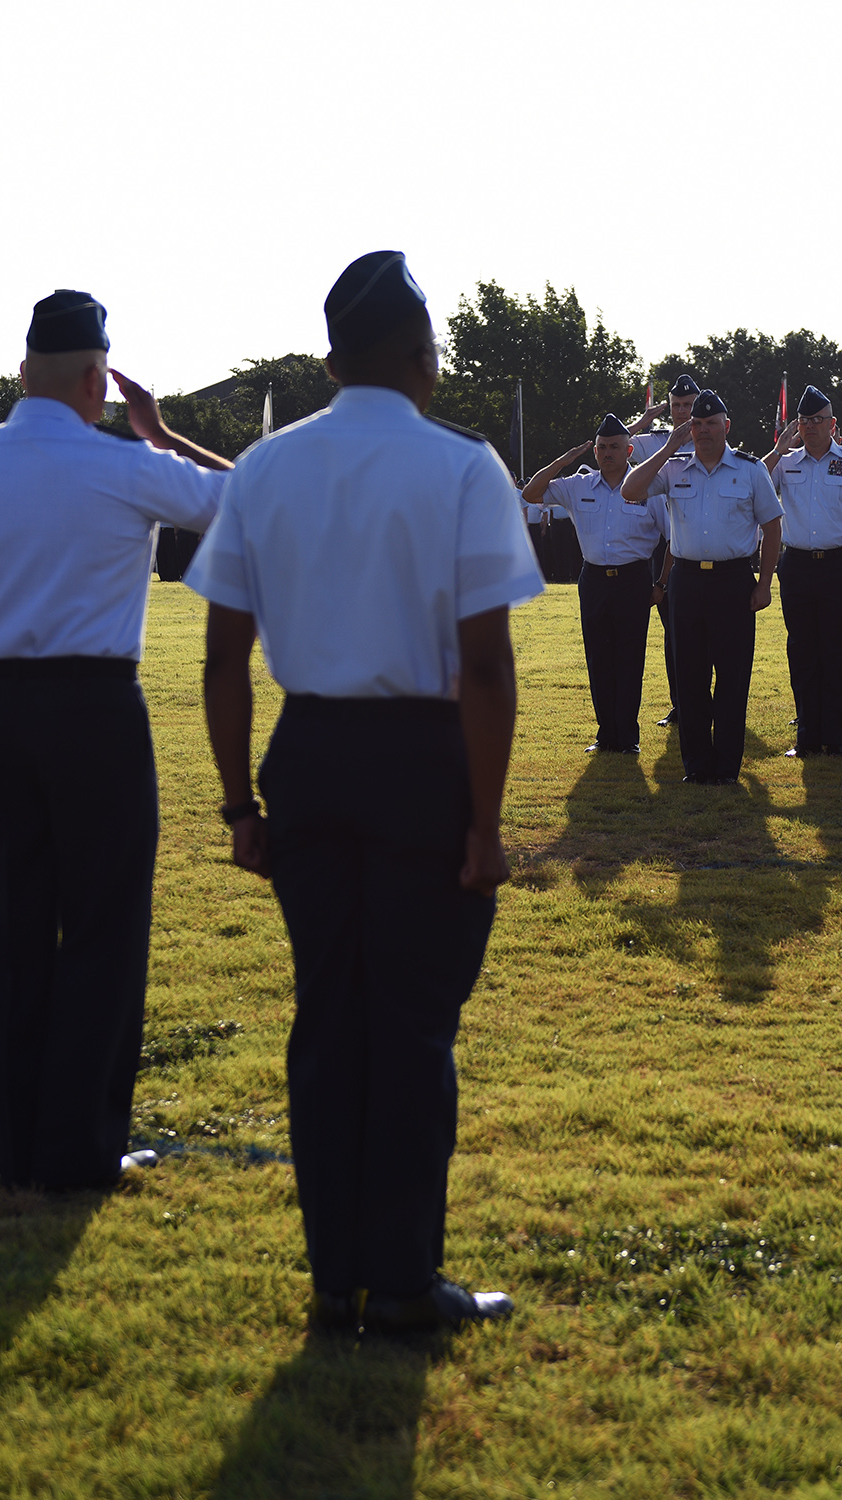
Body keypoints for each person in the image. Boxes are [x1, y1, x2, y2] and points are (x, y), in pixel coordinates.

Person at [190, 250, 536, 1334]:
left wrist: (241, 806)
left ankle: (334, 1273)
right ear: (420, 358)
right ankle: (400, 1278)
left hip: (310, 756)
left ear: (333, 357)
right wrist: (482, 822)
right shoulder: (463, 466)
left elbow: (220, 658)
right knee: (415, 1027)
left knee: (328, 1018)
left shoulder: (264, 467)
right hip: (422, 762)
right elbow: (484, 667)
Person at [0, 290, 231, 1192]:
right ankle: (81, 1144)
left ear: (20, 370)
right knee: (106, 930)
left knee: (15, 924)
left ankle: (17, 1140)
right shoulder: (123, 463)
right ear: (96, 378)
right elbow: (246, 505)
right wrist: (159, 434)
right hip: (95, 710)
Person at [624, 388, 782, 784]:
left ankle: (727, 766)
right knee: (690, 676)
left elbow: (772, 527)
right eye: (696, 424)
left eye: (712, 423)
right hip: (687, 582)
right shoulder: (673, 468)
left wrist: (763, 584)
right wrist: (666, 449)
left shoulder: (749, 469)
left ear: (726, 427)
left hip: (733, 582)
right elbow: (629, 490)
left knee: (732, 676)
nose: (704, 430)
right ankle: (695, 765)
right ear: (687, 428)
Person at [763, 385, 842, 757]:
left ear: (832, 424)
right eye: (804, 421)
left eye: (817, 420)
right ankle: (806, 736)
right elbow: (750, 484)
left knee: (836, 651)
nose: (810, 427)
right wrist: (778, 447)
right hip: (798, 565)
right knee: (801, 650)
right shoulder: (785, 464)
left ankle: (835, 739)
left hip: (839, 566)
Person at [523, 415, 666, 753]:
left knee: (630, 659)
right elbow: (531, 493)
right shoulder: (578, 485)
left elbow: (672, 538)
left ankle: (627, 737)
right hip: (594, 580)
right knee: (598, 657)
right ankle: (606, 736)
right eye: (601, 447)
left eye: (614, 447)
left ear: (629, 449)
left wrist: (660, 582)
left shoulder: (648, 487)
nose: (606, 453)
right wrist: (565, 460)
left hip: (633, 578)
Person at [628, 375, 700, 726]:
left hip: (705, 546)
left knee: (713, 634)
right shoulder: (657, 442)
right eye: (677, 406)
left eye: (689, 405)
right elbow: (615, 442)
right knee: (674, 633)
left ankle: (709, 701)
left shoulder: (710, 437)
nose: (683, 412)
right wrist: (646, 418)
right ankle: (681, 703)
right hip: (668, 551)